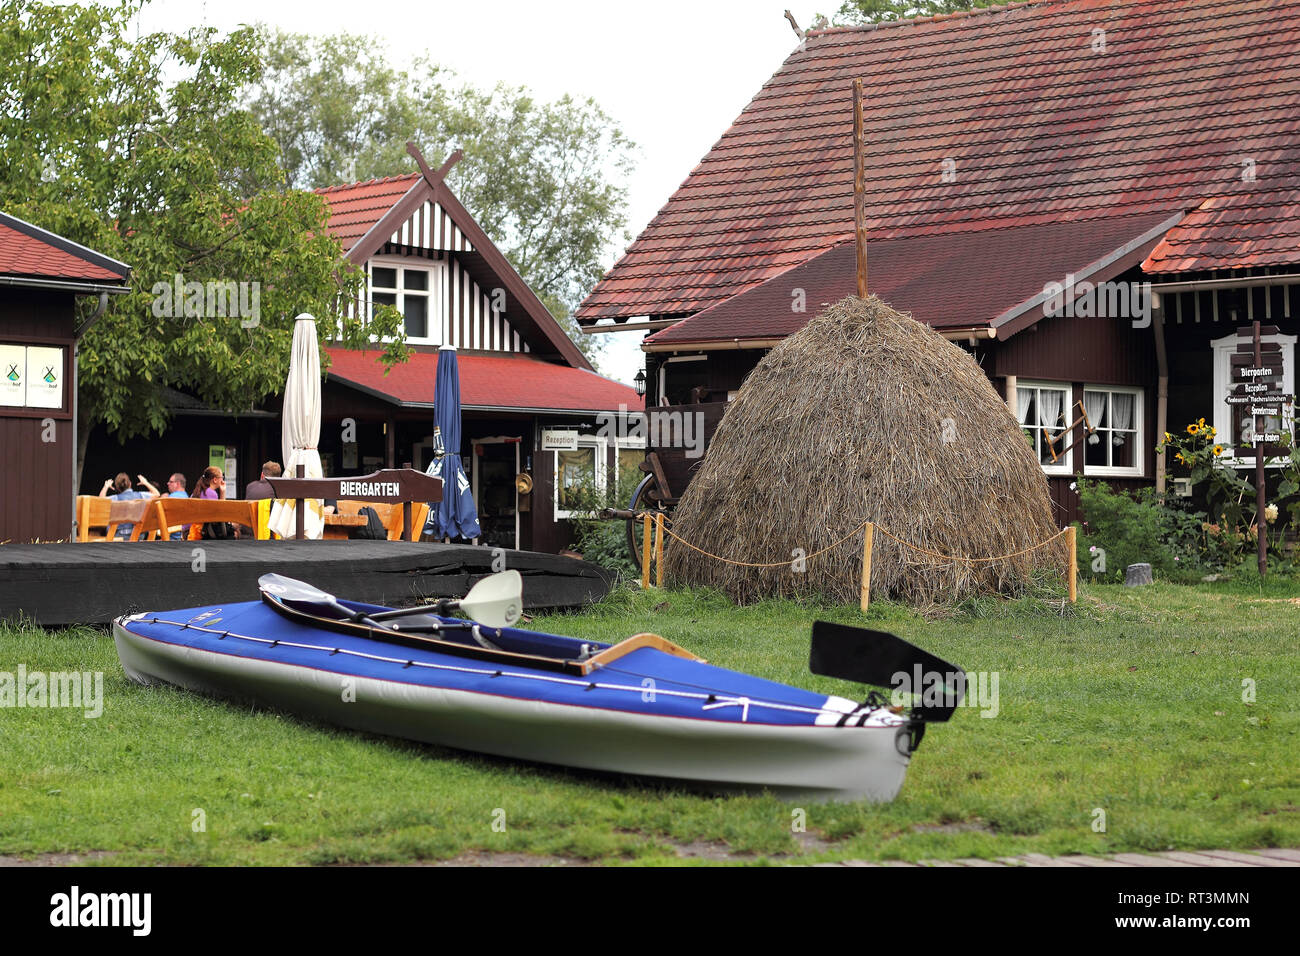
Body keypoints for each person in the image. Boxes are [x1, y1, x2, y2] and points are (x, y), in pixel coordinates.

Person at [97, 472, 159, 539]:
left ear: (117, 487)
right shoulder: (141, 496)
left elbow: (101, 500)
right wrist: (145, 482)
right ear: (130, 484)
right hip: (137, 536)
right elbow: (157, 494)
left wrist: (106, 486)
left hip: (118, 536)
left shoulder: (114, 498)